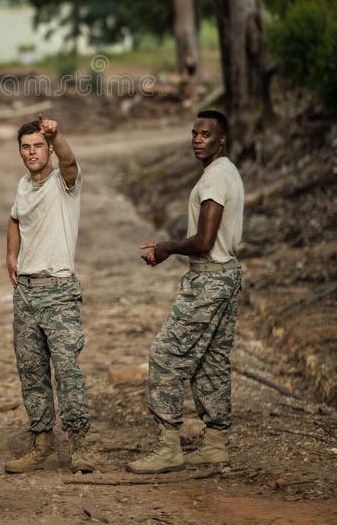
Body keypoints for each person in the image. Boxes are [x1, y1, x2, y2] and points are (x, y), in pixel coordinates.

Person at [128, 110, 244, 474]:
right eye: (194, 132)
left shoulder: (213, 180)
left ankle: (168, 446)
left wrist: (167, 247)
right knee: (211, 359)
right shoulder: (227, 172)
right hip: (227, 275)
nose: (197, 139)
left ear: (221, 139)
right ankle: (215, 444)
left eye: (206, 134)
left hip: (209, 279)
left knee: (165, 354)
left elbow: (205, 240)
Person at [5, 115, 94, 475]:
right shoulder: (23, 186)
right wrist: (10, 254)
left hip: (58, 293)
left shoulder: (64, 182)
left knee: (68, 370)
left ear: (47, 149)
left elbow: (70, 161)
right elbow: (14, 219)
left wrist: (57, 136)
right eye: (26, 147)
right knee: (32, 372)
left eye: (38, 146)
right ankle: (41, 444)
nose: (32, 153)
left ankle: (79, 447)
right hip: (25, 294)